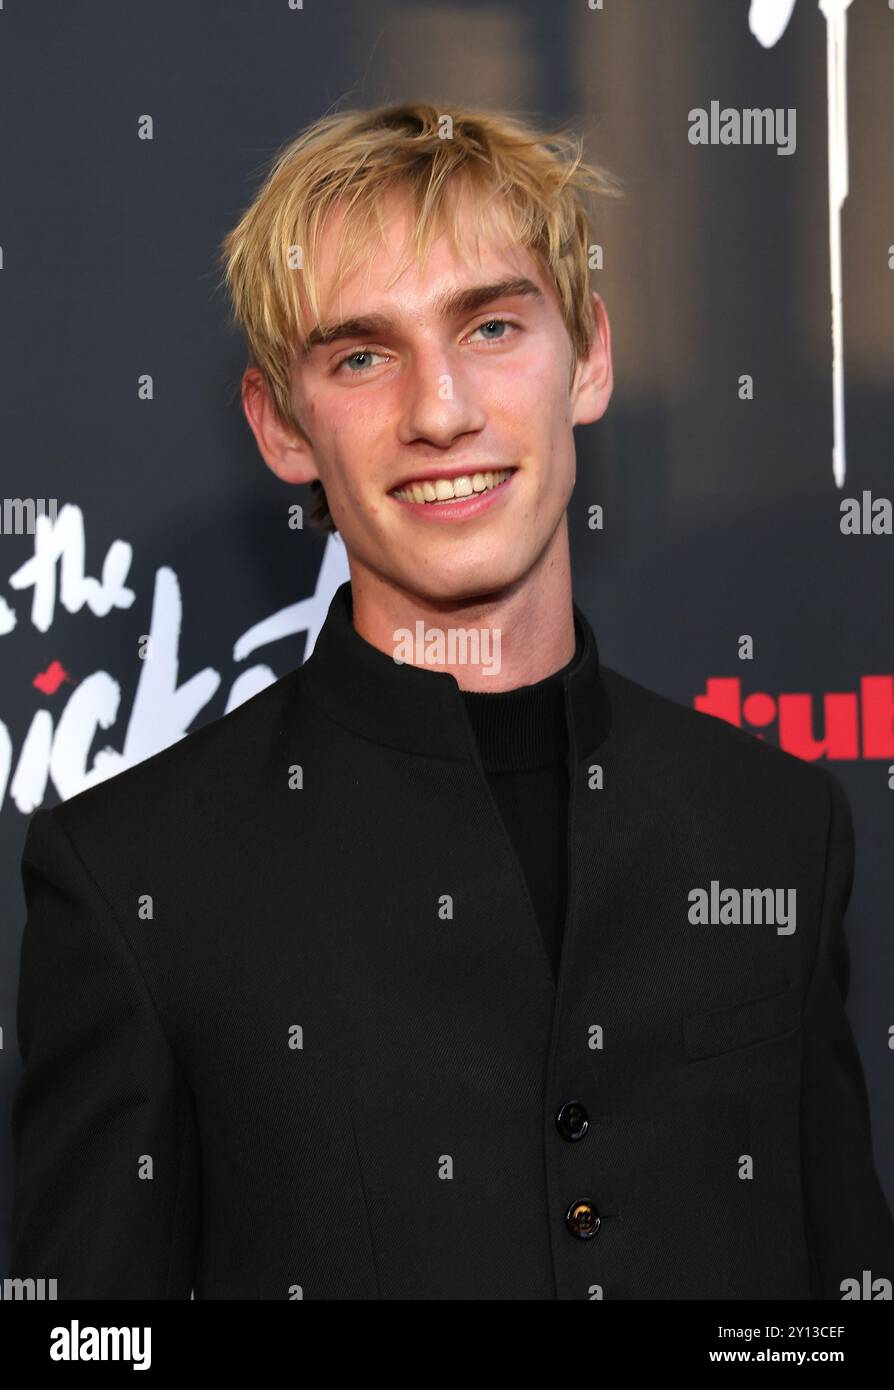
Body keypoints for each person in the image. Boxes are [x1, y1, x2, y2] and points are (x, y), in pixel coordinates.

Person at [8, 101, 894, 1300]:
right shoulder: (133, 883)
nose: (441, 411)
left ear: (588, 358)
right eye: (362, 354)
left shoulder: (777, 829)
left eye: (489, 326)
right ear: (282, 429)